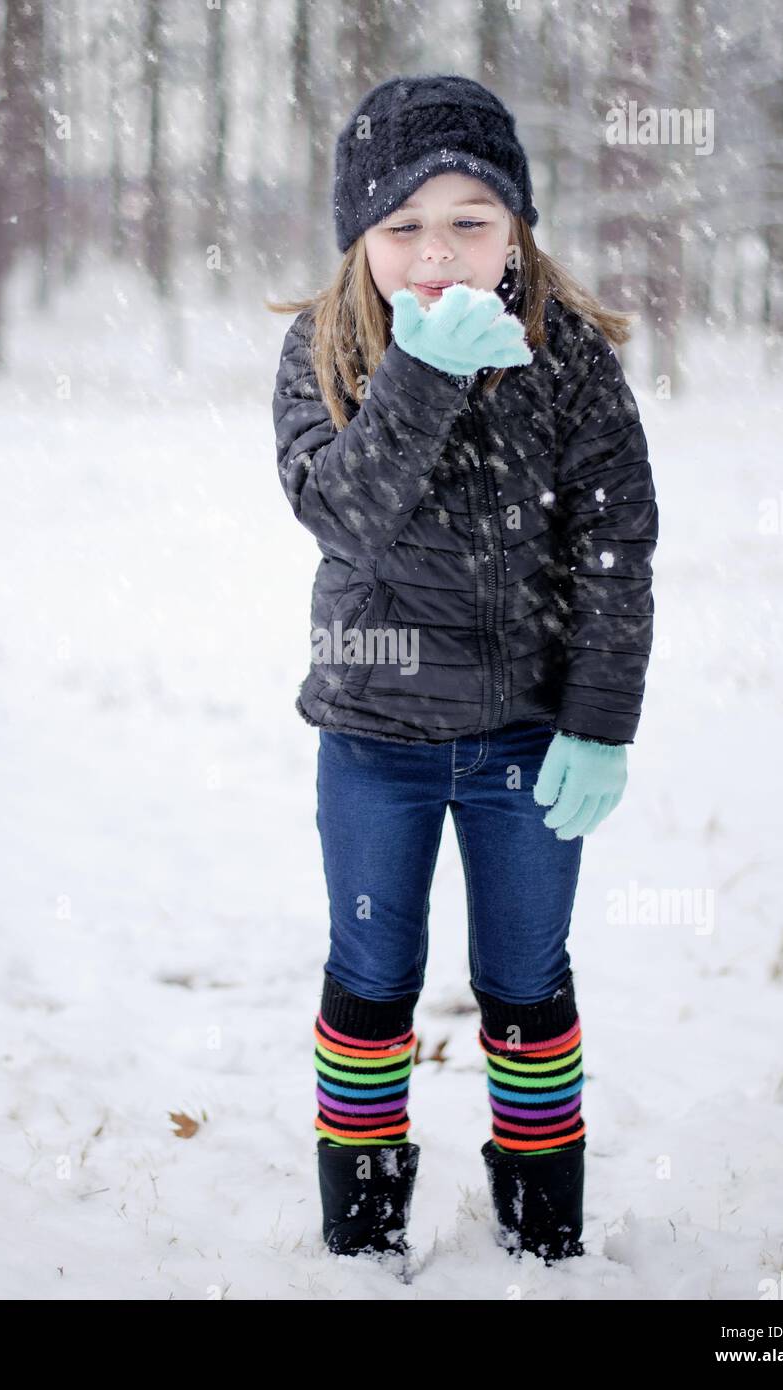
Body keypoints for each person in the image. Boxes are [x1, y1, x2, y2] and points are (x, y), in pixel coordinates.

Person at [268, 74, 659, 1271]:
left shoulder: (571, 358)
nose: (436, 254)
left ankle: (545, 1238)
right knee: (373, 980)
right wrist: (422, 375)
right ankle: (363, 1230)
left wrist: (598, 722)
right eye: (402, 228)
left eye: (469, 222)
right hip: (373, 736)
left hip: (527, 743)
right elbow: (343, 513)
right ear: (359, 241)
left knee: (527, 986)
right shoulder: (323, 347)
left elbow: (613, 549)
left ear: (518, 227)